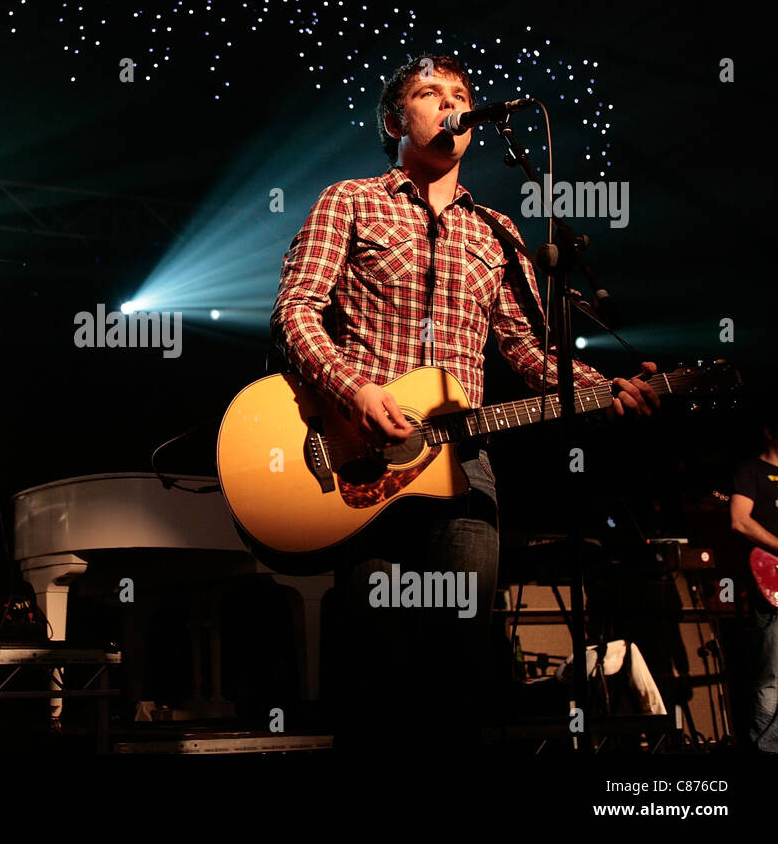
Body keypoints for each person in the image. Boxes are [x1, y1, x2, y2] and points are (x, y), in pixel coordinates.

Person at [269, 54, 659, 751]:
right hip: (364, 463)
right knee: (376, 670)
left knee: (456, 677)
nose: (450, 104)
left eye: (460, 94)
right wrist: (353, 390)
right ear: (396, 120)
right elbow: (295, 311)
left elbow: (528, 352)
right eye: (429, 93)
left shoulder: (499, 232)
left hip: (465, 467)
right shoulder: (349, 200)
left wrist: (604, 388)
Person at [729, 407, 778, 752]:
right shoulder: (751, 471)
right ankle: (766, 749)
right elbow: (740, 521)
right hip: (772, 581)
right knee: (773, 675)